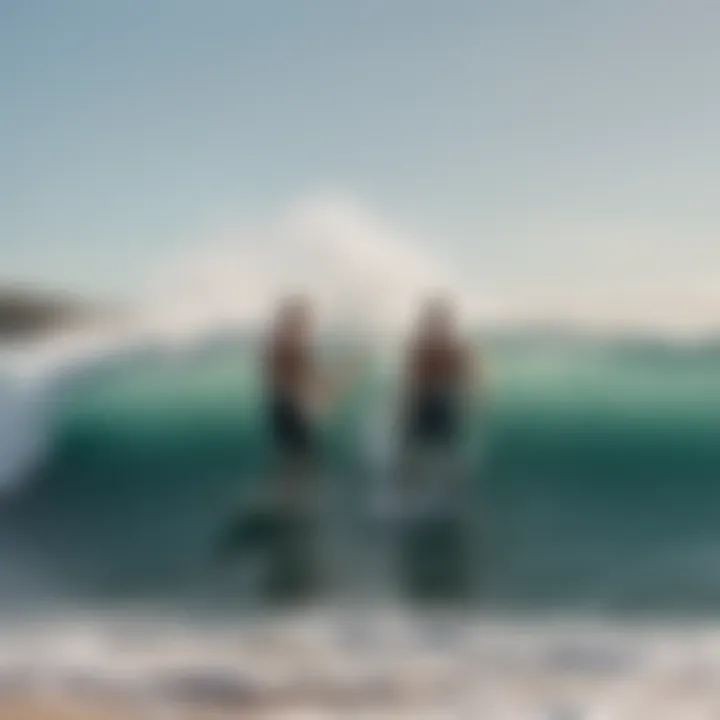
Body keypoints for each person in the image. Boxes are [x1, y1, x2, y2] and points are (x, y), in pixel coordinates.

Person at [400, 296, 476, 453]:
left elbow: (468, 377)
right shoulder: (422, 347)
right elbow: (410, 381)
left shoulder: (453, 349)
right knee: (415, 445)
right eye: (434, 321)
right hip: (424, 402)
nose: (436, 325)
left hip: (442, 402)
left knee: (444, 446)